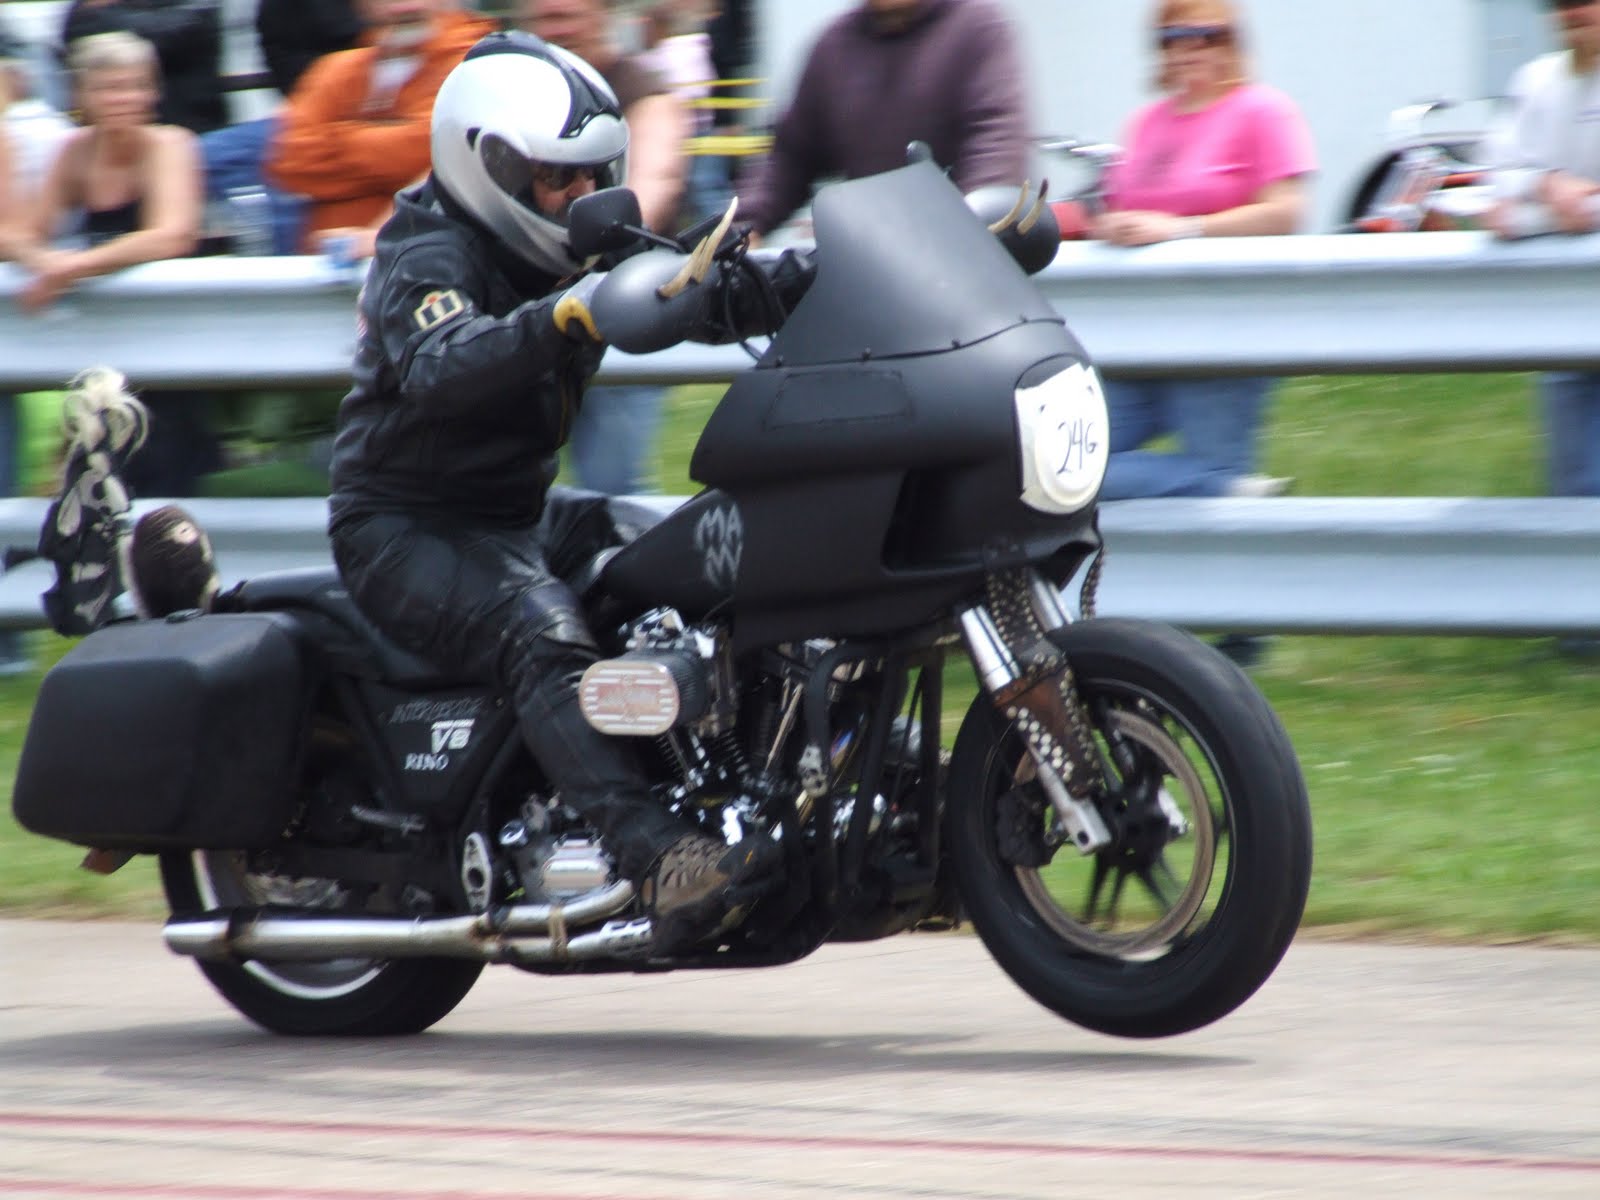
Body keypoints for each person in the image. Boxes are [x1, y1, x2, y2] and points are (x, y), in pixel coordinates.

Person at [327, 31, 811, 955]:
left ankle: (730, 786)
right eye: (558, 178)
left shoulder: (576, 246)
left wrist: (845, 270)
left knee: (696, 551)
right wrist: (559, 316)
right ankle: (654, 858)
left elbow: (699, 289)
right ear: (492, 167)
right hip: (401, 527)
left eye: (593, 176)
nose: (581, 198)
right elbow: (442, 364)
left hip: (511, 513)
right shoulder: (422, 253)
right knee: (536, 625)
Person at [1092, 0, 1314, 504]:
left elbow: (1285, 213)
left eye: (1206, 35)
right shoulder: (1145, 123)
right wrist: (1111, 226)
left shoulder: (1263, 110)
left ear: (1233, 43)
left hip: (1222, 332)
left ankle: (1222, 496)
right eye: (1173, 37)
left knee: (1213, 504)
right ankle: (1225, 488)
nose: (1189, 47)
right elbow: (1123, 210)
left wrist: (1181, 229)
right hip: (1138, 338)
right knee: (1068, 468)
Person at [3, 31, 218, 500]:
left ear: (154, 91)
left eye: (136, 86)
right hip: (110, 344)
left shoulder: (170, 144)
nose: (124, 99)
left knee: (169, 466)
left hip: (175, 334)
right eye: (108, 88)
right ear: (82, 95)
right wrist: (39, 259)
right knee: (105, 472)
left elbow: (172, 234)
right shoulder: (76, 152)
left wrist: (68, 269)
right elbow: (23, 232)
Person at [519, 0, 691, 496]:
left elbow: (649, 190)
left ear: (604, 10)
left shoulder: (642, 91)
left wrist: (583, 245)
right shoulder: (512, 94)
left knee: (610, 487)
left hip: (620, 314)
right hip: (525, 317)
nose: (557, 12)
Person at [735, 0, 1030, 240]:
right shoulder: (835, 46)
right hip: (872, 267)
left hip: (963, 265)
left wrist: (968, 229)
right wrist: (743, 229)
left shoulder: (978, 30)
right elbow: (790, 157)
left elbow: (995, 146)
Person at [265, 0, 492, 251]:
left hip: (436, 262)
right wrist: (399, 148)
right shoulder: (333, 70)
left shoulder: (474, 63)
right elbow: (291, 159)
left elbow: (440, 145)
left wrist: (337, 138)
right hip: (328, 266)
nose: (404, 8)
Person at [1485, 0, 1600, 497]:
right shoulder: (1535, 83)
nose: (1573, 11)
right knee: (1576, 492)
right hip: (1568, 322)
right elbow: (1497, 197)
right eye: (1560, 2)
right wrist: (1551, 186)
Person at [197, 0, 366, 257]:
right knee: (201, 154)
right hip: (310, 110)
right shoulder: (281, 11)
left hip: (361, 119)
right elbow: (283, 60)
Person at [59, 0, 226, 135]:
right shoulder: (73, 147)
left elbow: (172, 32)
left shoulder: (199, 9)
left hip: (194, 132)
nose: (120, 99)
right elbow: (79, 26)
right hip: (99, 136)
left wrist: (107, 10)